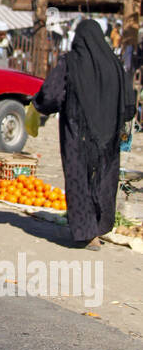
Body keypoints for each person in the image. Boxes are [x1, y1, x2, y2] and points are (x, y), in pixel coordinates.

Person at [32, 19, 135, 249]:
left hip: (77, 133)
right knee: (104, 180)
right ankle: (98, 227)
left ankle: (87, 233)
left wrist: (38, 106)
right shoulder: (115, 64)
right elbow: (129, 103)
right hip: (108, 137)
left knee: (79, 178)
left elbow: (50, 95)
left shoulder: (71, 63)